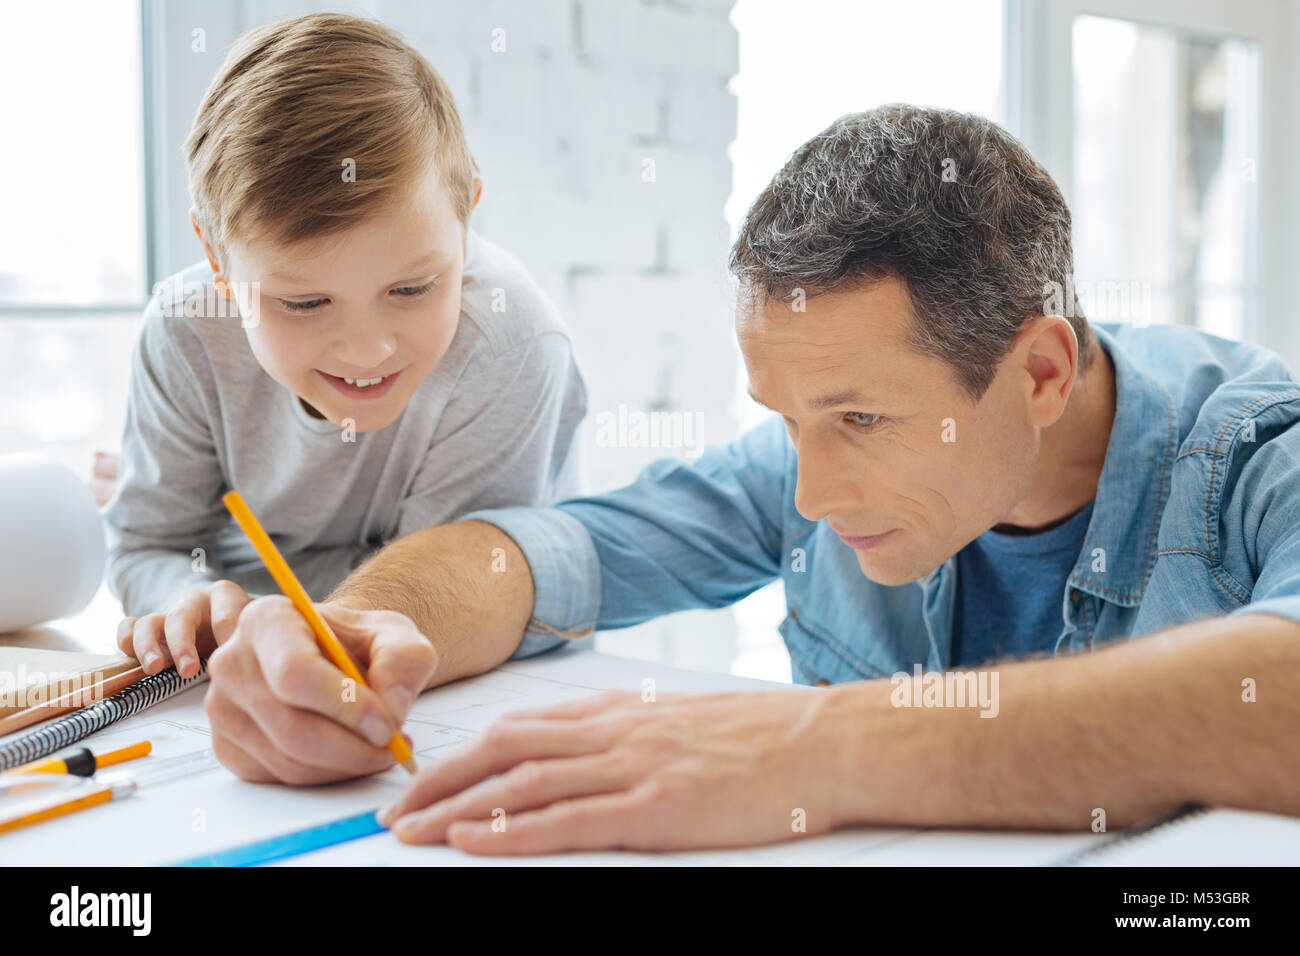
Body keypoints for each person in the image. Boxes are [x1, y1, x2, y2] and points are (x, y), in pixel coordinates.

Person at [203, 104, 1300, 855]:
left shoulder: (1258, 454)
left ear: (1041, 371)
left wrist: (817, 747)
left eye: (860, 419)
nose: (810, 493)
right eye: (788, 420)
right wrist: (354, 628)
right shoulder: (811, 459)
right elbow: (552, 554)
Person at [107, 13, 586, 681]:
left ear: (467, 217)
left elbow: (432, 600)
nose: (367, 351)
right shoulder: (185, 330)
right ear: (216, 259)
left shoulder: (511, 341)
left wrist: (255, 596)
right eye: (303, 303)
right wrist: (184, 598)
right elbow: (146, 546)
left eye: (413, 288)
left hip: (483, 687)